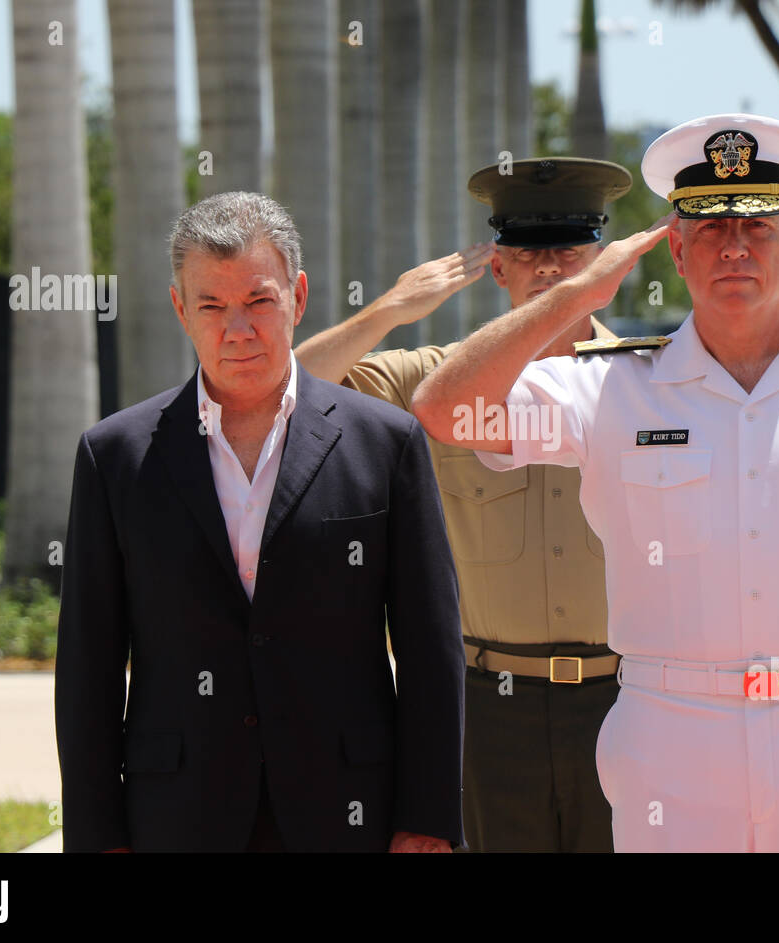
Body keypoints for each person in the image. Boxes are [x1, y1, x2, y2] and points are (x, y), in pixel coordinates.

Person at [412, 115, 779, 852]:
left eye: (757, 227)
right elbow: (444, 411)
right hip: (672, 748)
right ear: (678, 251)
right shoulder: (613, 388)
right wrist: (571, 297)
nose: (734, 247)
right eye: (711, 227)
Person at [54, 191, 464, 853]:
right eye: (211, 305)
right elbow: (87, 668)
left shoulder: (387, 443)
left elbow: (430, 647)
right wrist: (98, 836)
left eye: (259, 301)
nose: (237, 330)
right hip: (177, 820)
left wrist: (429, 818)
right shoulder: (115, 456)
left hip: (351, 813)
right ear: (180, 308)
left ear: (298, 298)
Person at [296, 157, 632, 852]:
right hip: (490, 704)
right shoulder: (437, 381)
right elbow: (289, 391)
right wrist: (391, 309)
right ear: (499, 268)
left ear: (601, 261)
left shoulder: (650, 379)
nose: (549, 267)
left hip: (628, 697)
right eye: (529, 251)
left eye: (569, 248)